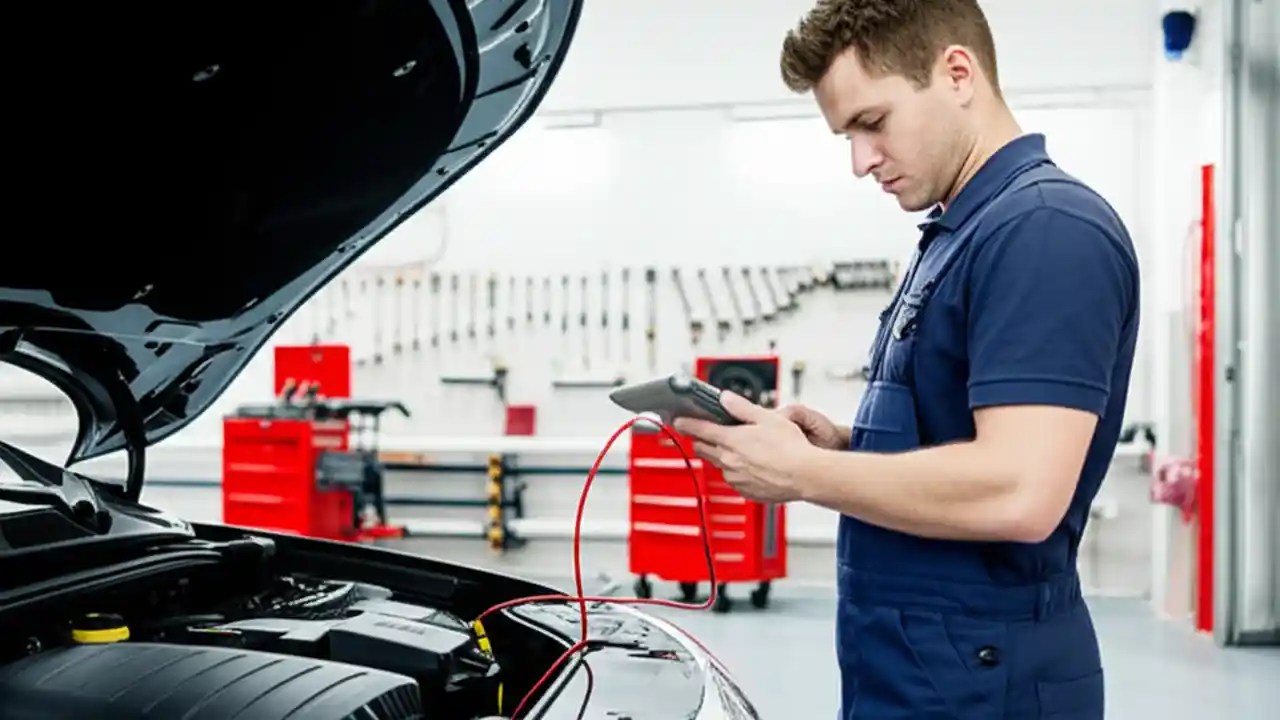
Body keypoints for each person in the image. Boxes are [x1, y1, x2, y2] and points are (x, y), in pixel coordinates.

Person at [672, 1, 1141, 718]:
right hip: (918, 668)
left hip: (986, 681)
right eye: (846, 135)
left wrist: (805, 473)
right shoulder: (960, 232)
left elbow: (1020, 490)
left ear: (957, 73)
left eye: (872, 123)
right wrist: (849, 444)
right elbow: (958, 437)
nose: (860, 161)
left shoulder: (1046, 229)